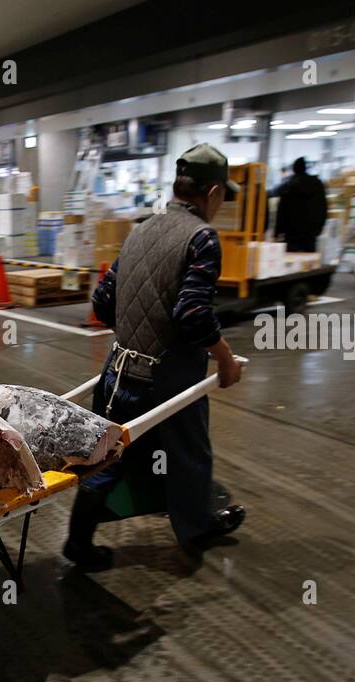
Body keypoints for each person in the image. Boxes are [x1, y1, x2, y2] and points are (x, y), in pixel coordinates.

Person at [65, 143, 246, 571]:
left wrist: (138, 330)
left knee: (109, 456)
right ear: (214, 192)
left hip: (119, 371)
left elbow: (103, 301)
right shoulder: (202, 237)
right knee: (190, 453)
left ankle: (78, 543)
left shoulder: (140, 229)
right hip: (168, 378)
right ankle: (197, 526)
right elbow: (193, 314)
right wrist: (225, 358)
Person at [272, 157, 327, 253]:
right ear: (305, 168)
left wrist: (277, 232)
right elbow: (323, 207)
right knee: (308, 263)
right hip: (310, 233)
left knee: (292, 262)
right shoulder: (317, 185)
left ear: (294, 169)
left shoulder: (289, 186)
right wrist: (319, 227)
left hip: (292, 233)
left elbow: (281, 210)